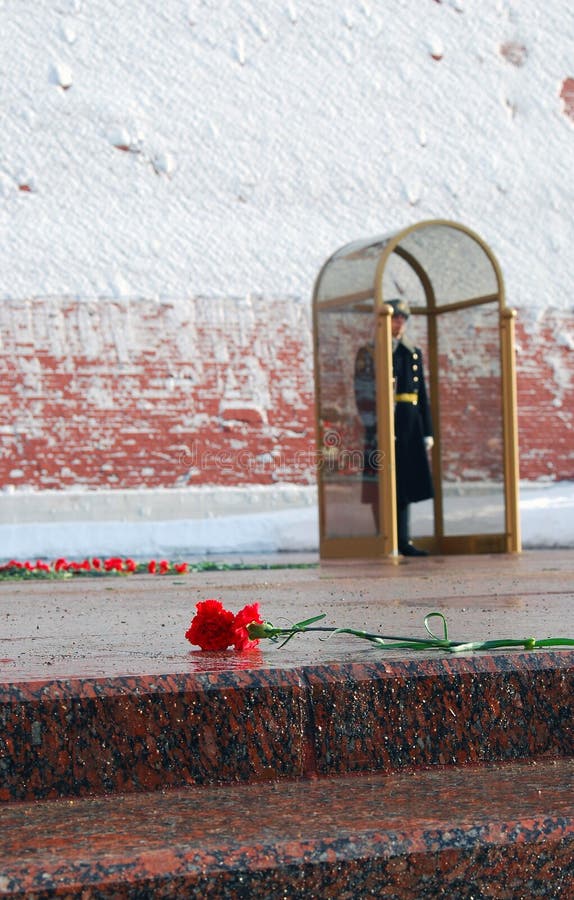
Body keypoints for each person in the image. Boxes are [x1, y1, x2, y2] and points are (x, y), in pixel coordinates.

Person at [354, 298, 434, 556]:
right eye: (395, 317)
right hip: (382, 422)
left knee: (405, 483)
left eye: (403, 318)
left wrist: (428, 430)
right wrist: (373, 424)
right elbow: (362, 393)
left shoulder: (411, 352)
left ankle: (403, 540)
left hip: (409, 422)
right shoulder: (370, 352)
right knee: (380, 482)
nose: (399, 322)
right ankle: (383, 538)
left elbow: (421, 393)